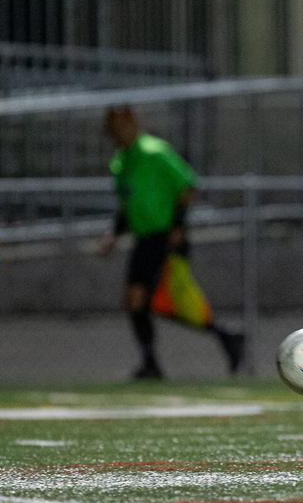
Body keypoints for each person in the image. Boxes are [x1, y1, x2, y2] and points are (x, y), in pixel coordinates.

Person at [94, 107, 244, 380]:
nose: (117, 133)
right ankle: (224, 337)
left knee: (148, 300)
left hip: (165, 238)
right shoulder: (121, 163)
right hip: (144, 240)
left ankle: (157, 361)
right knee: (149, 302)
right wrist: (114, 235)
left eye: (120, 126)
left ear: (133, 123)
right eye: (112, 129)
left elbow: (187, 186)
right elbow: (128, 205)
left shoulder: (155, 152)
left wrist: (178, 225)